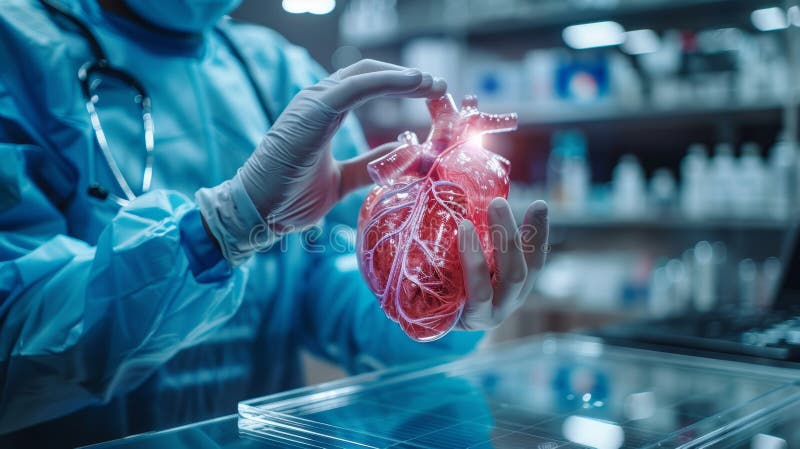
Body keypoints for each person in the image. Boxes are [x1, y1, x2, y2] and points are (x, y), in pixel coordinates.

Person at [0, 0, 550, 447]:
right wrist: (219, 230)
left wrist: (431, 295)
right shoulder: (18, 49)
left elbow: (331, 277)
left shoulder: (277, 71)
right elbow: (14, 332)